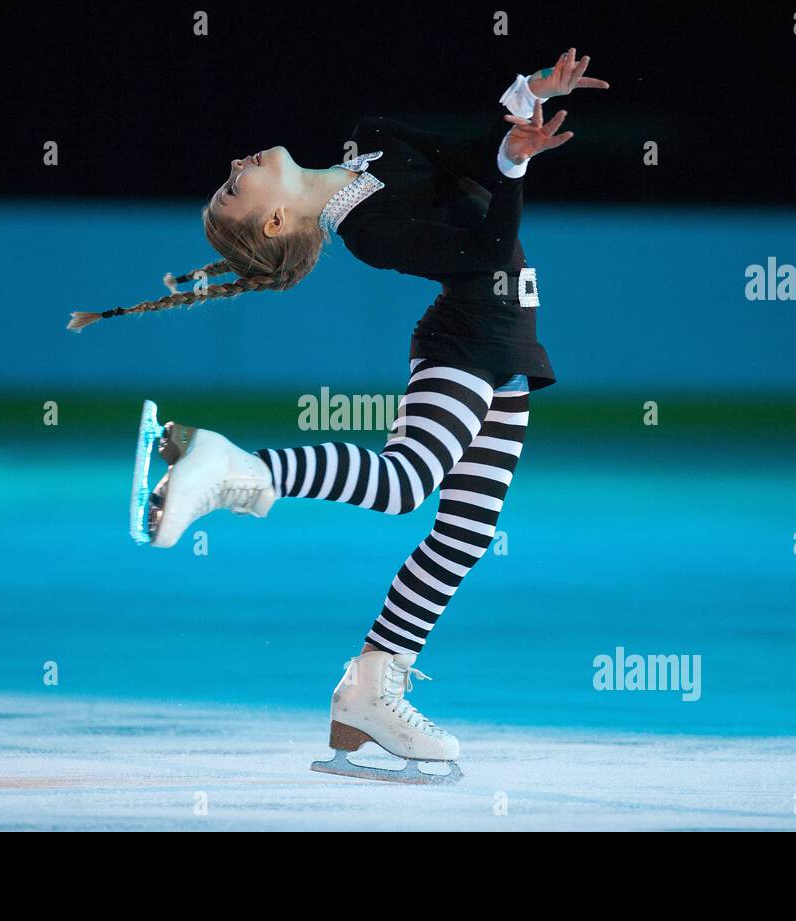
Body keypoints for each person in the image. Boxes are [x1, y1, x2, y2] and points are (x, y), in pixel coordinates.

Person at [69, 50, 608, 782]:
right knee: (405, 480)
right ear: (276, 222)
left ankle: (368, 689)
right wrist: (513, 169)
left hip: (506, 342)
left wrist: (522, 103)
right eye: (238, 185)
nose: (239, 161)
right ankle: (236, 466)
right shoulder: (369, 231)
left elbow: (466, 162)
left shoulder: (370, 135)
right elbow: (484, 249)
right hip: (470, 337)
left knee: (466, 533)